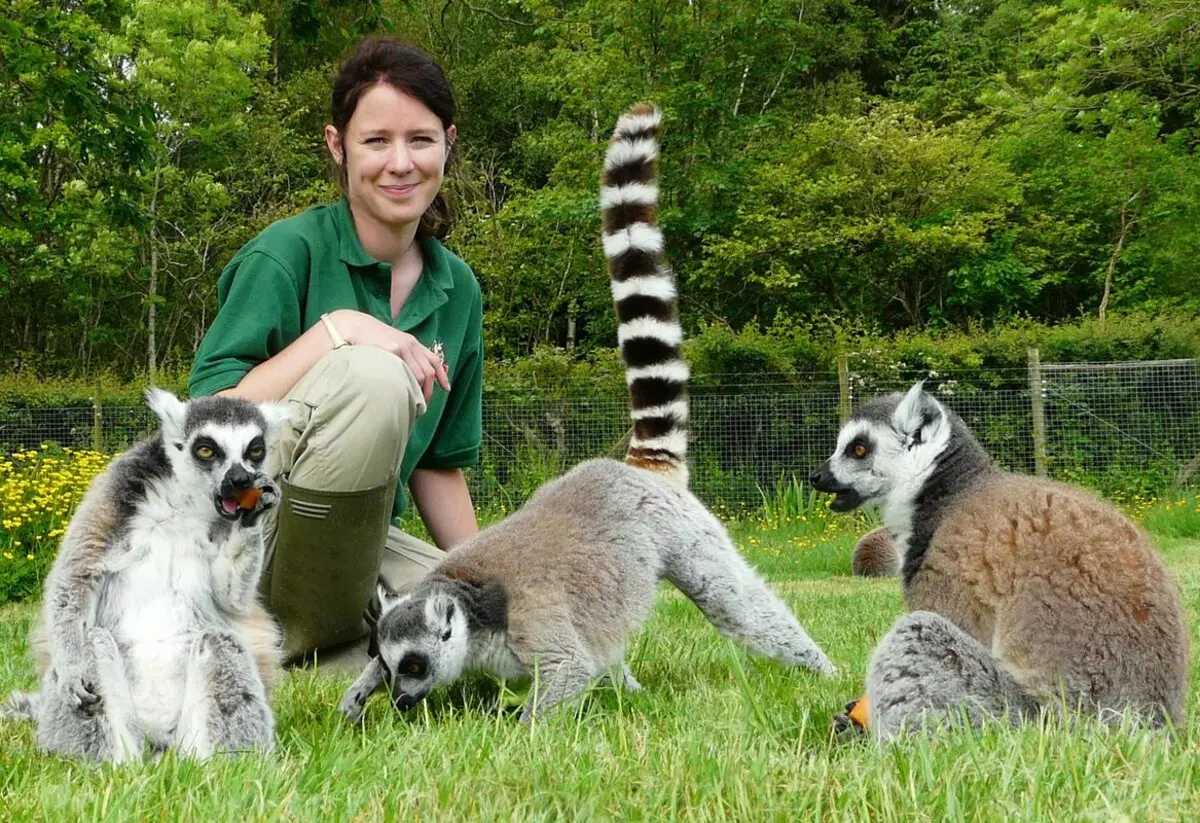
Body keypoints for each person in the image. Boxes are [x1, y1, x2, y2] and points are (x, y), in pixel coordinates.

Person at [188, 35, 483, 668]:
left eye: (421, 140)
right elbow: (205, 425)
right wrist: (338, 328)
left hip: (359, 544)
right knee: (373, 377)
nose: (400, 163)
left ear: (448, 146)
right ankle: (294, 645)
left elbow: (437, 467)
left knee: (489, 629)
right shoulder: (285, 254)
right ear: (336, 146)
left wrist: (492, 583)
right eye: (376, 141)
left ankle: (350, 643)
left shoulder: (458, 290)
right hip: (240, 539)